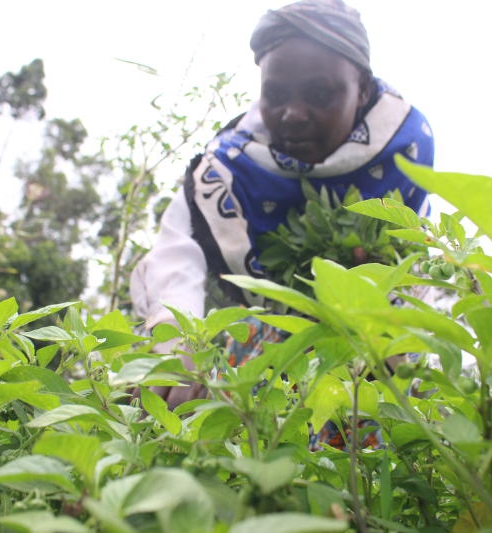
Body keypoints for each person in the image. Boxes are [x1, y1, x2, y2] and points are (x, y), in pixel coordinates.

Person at [130, 0, 434, 409]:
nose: (293, 114)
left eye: (319, 94)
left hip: (377, 364)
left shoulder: (400, 158)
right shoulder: (226, 171)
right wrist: (174, 335)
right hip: (270, 358)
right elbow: (177, 253)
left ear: (361, 88)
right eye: (275, 94)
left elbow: (420, 278)